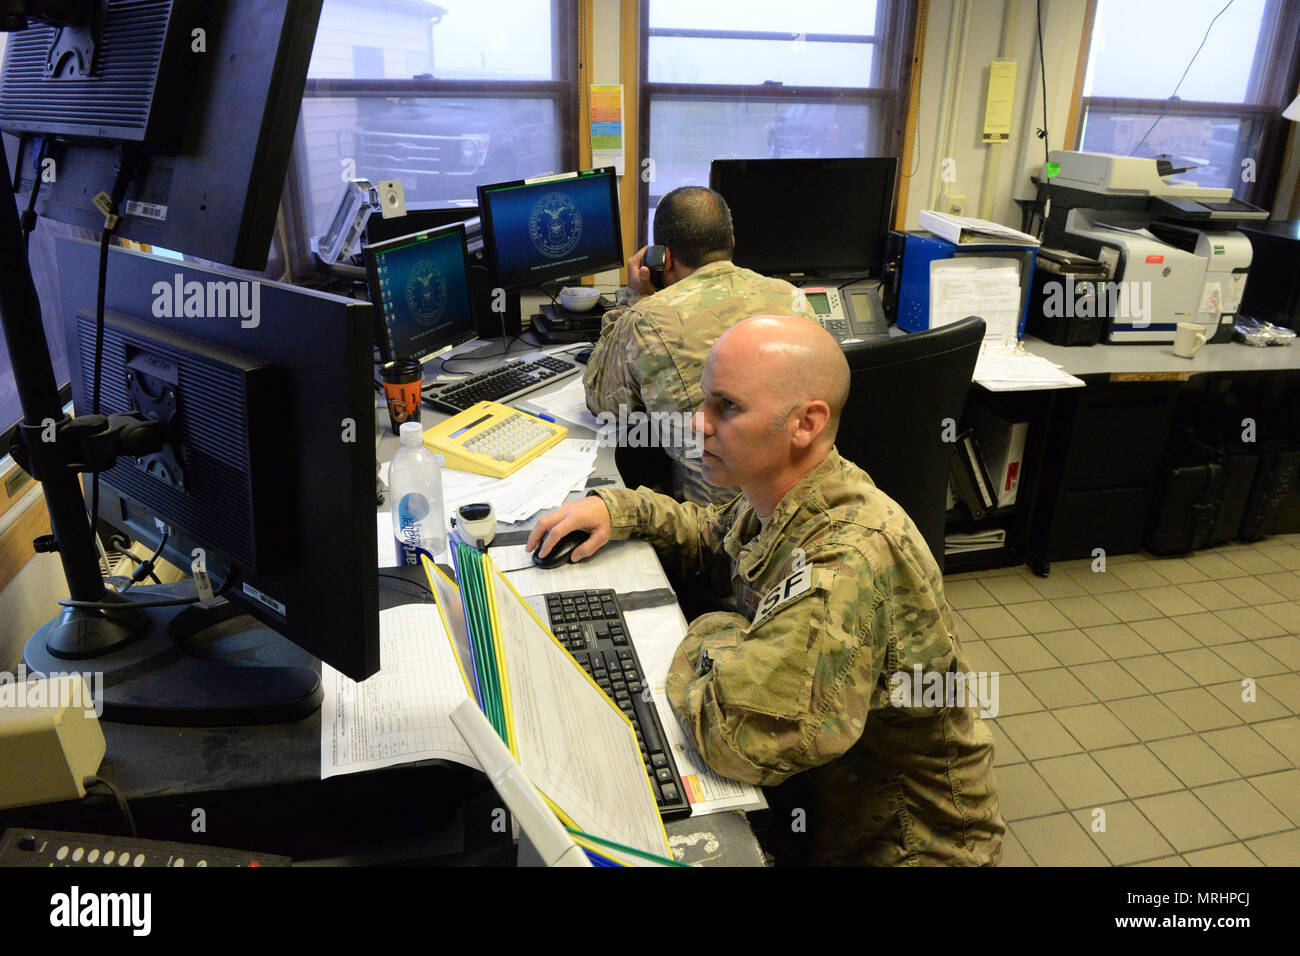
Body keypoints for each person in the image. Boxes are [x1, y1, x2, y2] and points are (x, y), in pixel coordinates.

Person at [530, 315, 1004, 866]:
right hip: (826, 801)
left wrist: (715, 632)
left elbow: (734, 738)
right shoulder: (791, 490)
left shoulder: (845, 564)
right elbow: (715, 534)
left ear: (805, 423)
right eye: (705, 401)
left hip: (901, 847)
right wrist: (618, 507)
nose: (698, 424)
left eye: (726, 408)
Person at [583, 186, 817, 507]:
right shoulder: (793, 297)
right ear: (731, 244)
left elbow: (601, 402)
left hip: (714, 526)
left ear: (662, 258)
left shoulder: (648, 318)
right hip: (805, 505)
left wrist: (633, 298)